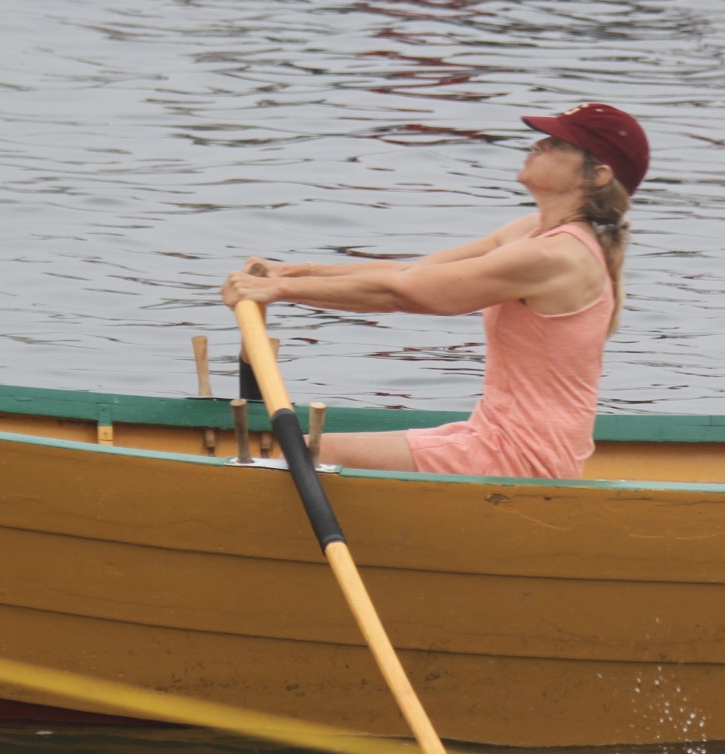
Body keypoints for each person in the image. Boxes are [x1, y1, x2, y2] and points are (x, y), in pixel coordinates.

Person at [219, 103, 649, 478]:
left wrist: (275, 292)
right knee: (310, 450)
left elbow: (404, 295)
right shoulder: (530, 233)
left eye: (557, 143)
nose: (538, 144)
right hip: (492, 436)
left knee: (315, 453)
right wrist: (295, 273)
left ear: (598, 174)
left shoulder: (557, 257)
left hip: (520, 458)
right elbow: (412, 271)